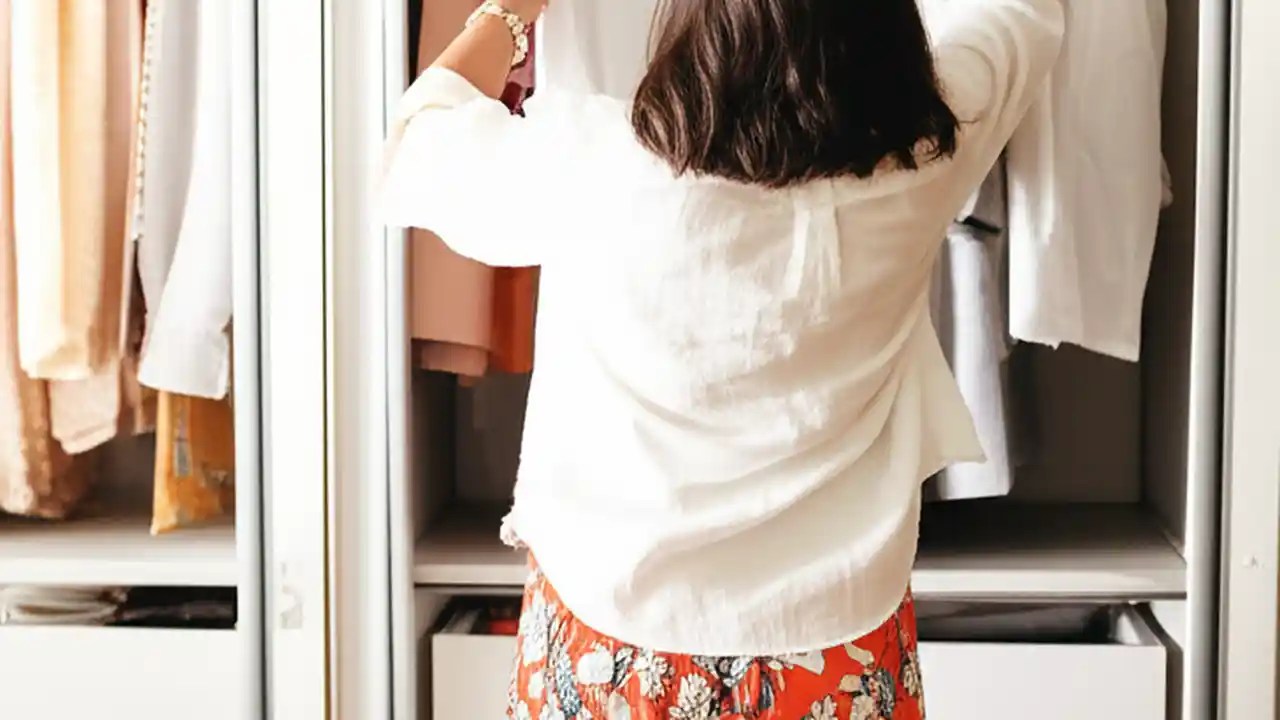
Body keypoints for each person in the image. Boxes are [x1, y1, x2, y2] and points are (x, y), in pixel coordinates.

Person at [384, 0, 1063, 716]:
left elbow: (419, 144)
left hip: (612, 637)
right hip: (836, 645)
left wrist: (510, 14)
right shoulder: (931, 152)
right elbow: (1025, 14)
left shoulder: (597, 165)